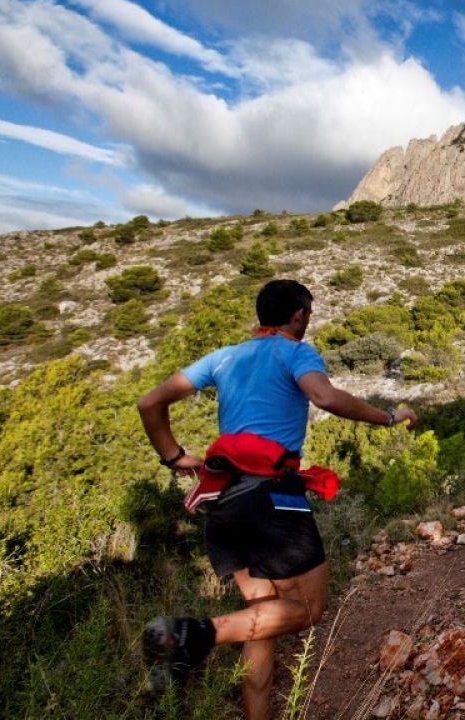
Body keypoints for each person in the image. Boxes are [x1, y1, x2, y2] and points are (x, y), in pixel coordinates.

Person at [136, 279, 416, 719]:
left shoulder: (224, 356)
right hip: (272, 496)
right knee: (306, 608)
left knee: (264, 614)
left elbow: (150, 402)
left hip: (223, 498)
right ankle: (192, 635)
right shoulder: (295, 351)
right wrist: (388, 416)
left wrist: (173, 457)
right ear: (299, 315)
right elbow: (325, 396)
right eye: (309, 314)